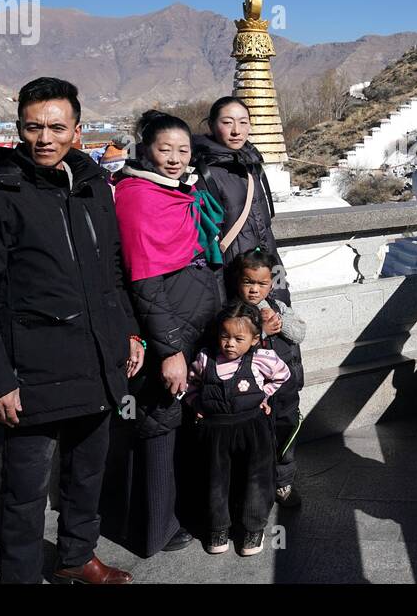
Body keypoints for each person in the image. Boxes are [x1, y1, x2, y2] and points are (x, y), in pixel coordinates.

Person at [0, 77, 139, 585]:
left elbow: (113, 273)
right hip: (30, 371)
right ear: (19, 130)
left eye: (57, 126)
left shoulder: (94, 185)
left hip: (97, 361)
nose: (45, 138)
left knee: (88, 472)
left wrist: (131, 334)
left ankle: (77, 556)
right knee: (25, 491)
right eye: (34, 127)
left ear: (78, 129)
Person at [111, 110, 226, 557]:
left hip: (197, 324)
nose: (175, 159)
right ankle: (154, 526)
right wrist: (169, 349)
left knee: (187, 420)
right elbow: (145, 281)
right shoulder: (138, 196)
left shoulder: (182, 192)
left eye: (183, 150)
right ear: (147, 150)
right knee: (159, 421)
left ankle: (184, 512)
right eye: (165, 150)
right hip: (167, 332)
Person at [189, 302, 291, 556]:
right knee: (216, 480)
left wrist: (263, 396)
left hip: (252, 430)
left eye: (238, 338)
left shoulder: (261, 358)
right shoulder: (205, 359)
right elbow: (190, 384)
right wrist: (196, 405)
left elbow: (282, 375)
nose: (230, 344)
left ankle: (253, 528)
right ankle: (218, 527)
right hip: (216, 433)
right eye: (225, 336)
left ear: (255, 339)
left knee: (256, 480)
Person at [192, 97, 291, 303]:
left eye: (243, 122)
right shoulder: (204, 174)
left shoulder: (251, 166)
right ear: (211, 125)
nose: (236, 130)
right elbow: (206, 243)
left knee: (280, 324)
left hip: (265, 273)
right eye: (227, 123)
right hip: (234, 280)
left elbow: (266, 233)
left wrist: (281, 286)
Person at [229, 247, 307, 508]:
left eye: (261, 284)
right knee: (256, 442)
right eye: (248, 282)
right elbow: (231, 348)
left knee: (285, 434)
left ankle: (283, 482)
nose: (254, 290)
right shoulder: (235, 313)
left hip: (284, 389)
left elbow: (299, 333)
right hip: (253, 393)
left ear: (271, 284)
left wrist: (279, 323)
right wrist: (260, 332)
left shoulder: (278, 307)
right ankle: (255, 488)